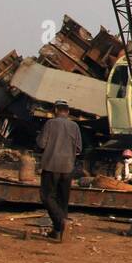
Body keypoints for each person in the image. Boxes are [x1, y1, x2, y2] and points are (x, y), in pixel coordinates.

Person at [36, 99, 83, 242]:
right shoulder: (74, 126)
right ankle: (58, 232)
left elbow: (41, 143)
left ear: (55, 110)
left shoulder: (50, 124)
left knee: (47, 196)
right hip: (68, 167)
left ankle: (60, 222)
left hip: (51, 165)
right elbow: (79, 148)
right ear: (67, 112)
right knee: (63, 199)